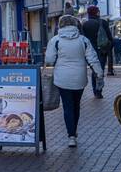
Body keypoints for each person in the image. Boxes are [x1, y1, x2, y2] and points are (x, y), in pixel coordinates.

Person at [44, 14, 102, 148]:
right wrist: (99, 73)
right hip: (79, 78)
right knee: (76, 105)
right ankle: (73, 131)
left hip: (62, 78)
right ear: (75, 25)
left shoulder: (55, 40)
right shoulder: (83, 40)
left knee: (67, 106)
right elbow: (92, 58)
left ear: (61, 25)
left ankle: (71, 135)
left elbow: (49, 60)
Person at [80, 5, 114, 98]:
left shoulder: (85, 24)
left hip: (90, 51)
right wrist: (109, 47)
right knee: (100, 70)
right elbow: (110, 38)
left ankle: (95, 90)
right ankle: (98, 91)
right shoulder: (103, 23)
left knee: (94, 70)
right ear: (97, 12)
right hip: (101, 51)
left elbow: (82, 38)